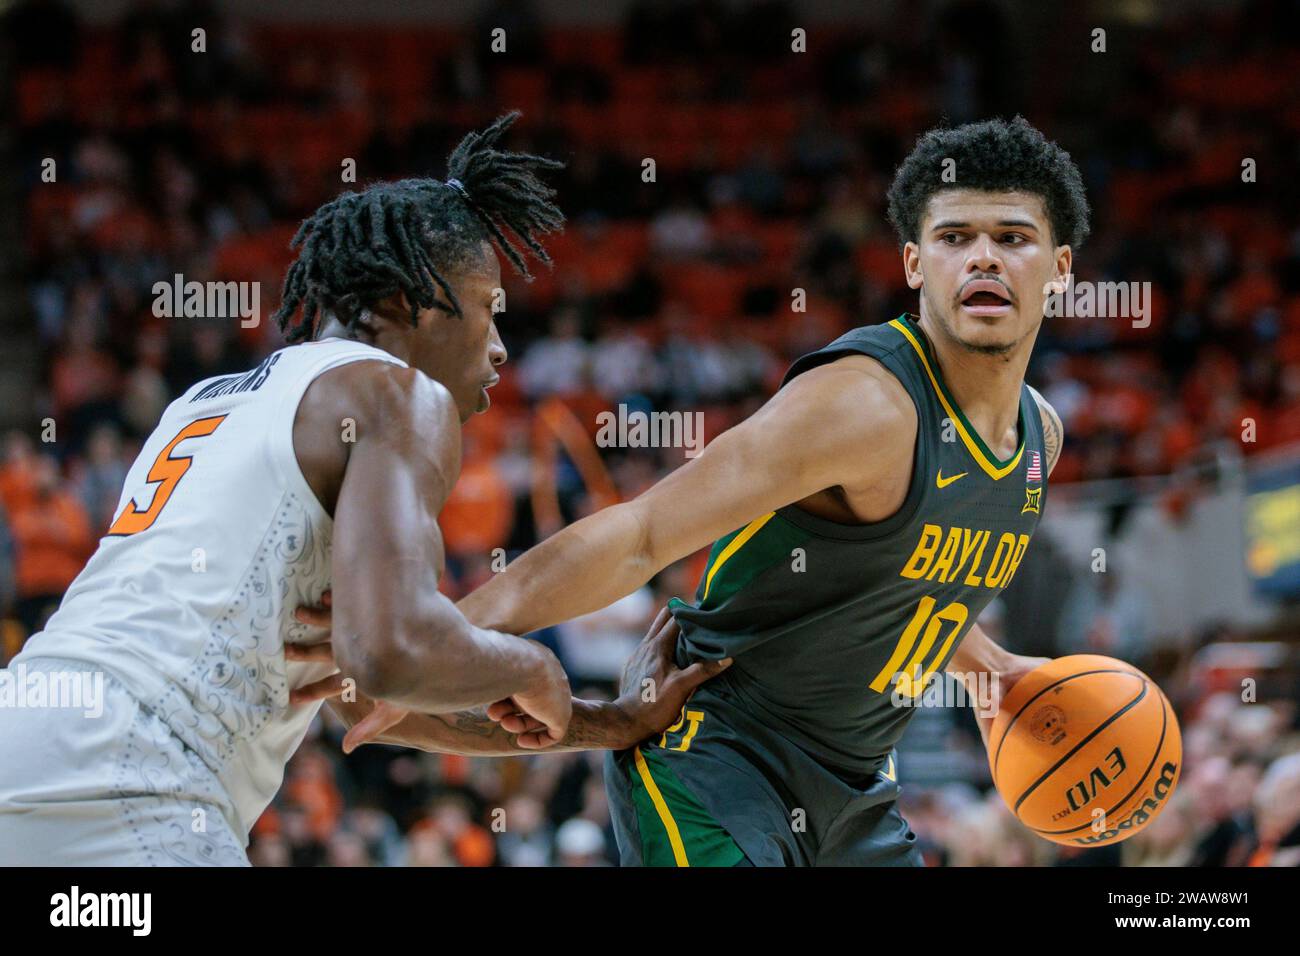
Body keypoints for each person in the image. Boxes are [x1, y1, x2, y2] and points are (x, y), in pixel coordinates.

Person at [310, 116, 1076, 866]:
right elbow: (640, 532)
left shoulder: (1039, 438)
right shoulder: (867, 403)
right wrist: (430, 638)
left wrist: (992, 668)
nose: (982, 259)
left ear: (1061, 268)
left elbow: (911, 577)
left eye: (1011, 238)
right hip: (715, 755)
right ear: (914, 264)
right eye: (954, 238)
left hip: (854, 787)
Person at [0, 113, 713, 866]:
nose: (501, 350)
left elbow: (377, 706)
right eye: (487, 313)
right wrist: (533, 664)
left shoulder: (204, 402)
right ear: (412, 301)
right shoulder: (398, 397)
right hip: (137, 777)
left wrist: (618, 722)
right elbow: (392, 654)